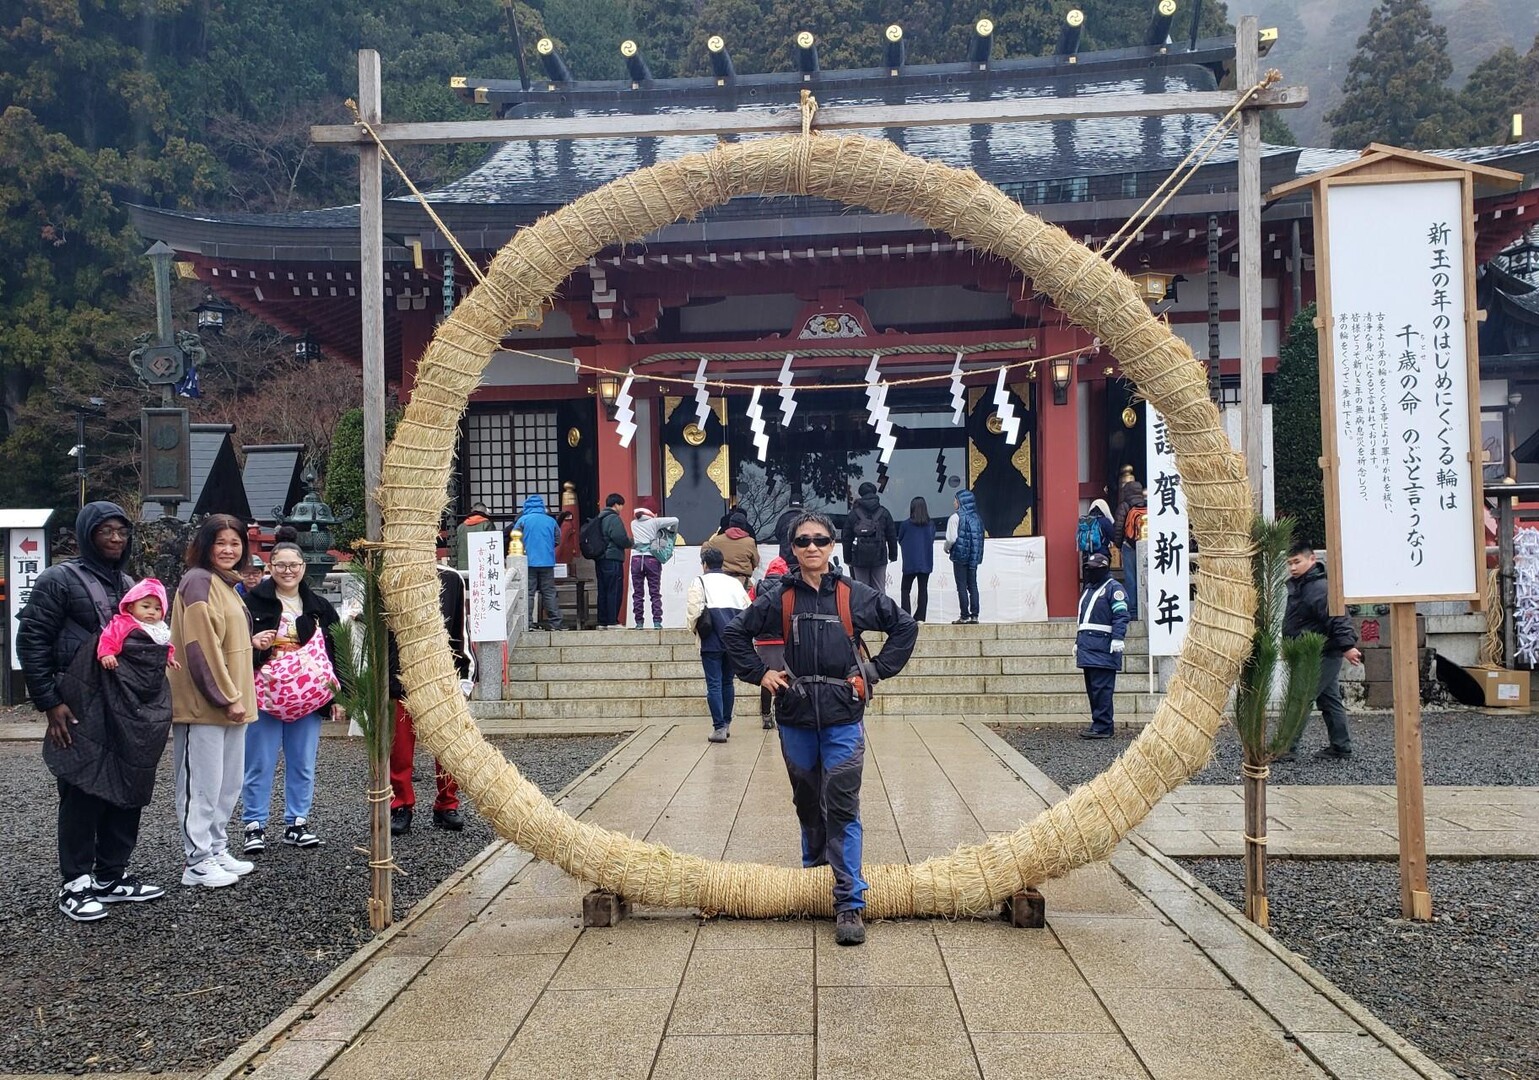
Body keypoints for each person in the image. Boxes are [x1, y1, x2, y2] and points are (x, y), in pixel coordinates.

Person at [723, 511, 918, 946]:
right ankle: (813, 880)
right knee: (808, 802)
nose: (812, 547)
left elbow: (904, 627)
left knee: (842, 805)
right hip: (795, 717)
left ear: (833, 546)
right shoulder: (779, 597)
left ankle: (849, 903)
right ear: (792, 548)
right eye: (803, 541)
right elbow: (735, 634)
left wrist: (873, 671)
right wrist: (761, 676)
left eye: (821, 540)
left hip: (843, 717)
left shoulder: (854, 595)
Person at [19, 503, 165, 921]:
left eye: (122, 531)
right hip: (80, 699)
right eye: (106, 531)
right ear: (88, 534)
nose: (116, 539)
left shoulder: (131, 585)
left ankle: (112, 874)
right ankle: (76, 882)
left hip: (127, 703)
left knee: (129, 783)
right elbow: (33, 641)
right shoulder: (58, 580)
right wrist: (49, 701)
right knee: (82, 788)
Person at [168, 513, 262, 888]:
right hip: (205, 706)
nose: (228, 549)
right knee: (202, 783)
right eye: (220, 542)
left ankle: (217, 846)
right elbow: (199, 647)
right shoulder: (197, 581)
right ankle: (197, 860)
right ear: (205, 546)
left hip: (232, 704)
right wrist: (224, 696)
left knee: (227, 783)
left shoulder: (227, 585)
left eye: (235, 542)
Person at [241, 532, 343, 853]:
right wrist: (258, 649)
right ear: (270, 567)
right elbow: (235, 646)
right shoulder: (250, 602)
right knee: (259, 760)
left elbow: (335, 650)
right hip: (265, 692)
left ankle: (297, 821)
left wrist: (338, 695)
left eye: (294, 565)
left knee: (303, 761)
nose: (288, 571)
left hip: (309, 694)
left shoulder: (320, 607)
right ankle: (254, 824)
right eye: (281, 565)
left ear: (303, 566)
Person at [390, 564, 472, 833]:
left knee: (447, 748)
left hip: (441, 677)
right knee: (400, 750)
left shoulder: (450, 577)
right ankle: (400, 804)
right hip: (400, 677)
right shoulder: (391, 576)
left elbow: (460, 628)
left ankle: (447, 803)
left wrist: (464, 674)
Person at [1282, 542, 1363, 761]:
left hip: (1321, 653)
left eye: (1297, 562)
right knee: (1329, 700)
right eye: (1290, 563)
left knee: (1301, 697)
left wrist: (1347, 646)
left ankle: (1285, 747)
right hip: (1316, 652)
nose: (1293, 567)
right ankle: (1340, 746)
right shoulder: (1304, 587)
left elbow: (1337, 617)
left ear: (1312, 560)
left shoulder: (1318, 588)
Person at [686, 547, 750, 742]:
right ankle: (727, 723)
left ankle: (719, 727)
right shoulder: (735, 583)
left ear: (704, 564)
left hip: (711, 639)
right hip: (733, 640)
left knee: (714, 683)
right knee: (727, 682)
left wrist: (693, 629)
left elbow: (694, 609)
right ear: (721, 563)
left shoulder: (700, 581)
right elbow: (748, 608)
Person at [1075, 552, 1130, 740]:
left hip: (1104, 647)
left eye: (1094, 569)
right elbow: (1084, 618)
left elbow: (1121, 615)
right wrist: (1077, 641)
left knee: (1102, 689)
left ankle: (1104, 726)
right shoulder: (1089, 589)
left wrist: (1118, 638)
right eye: (1088, 569)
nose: (1090, 572)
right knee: (1093, 689)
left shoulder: (1114, 589)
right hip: (1088, 646)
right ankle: (1098, 723)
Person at [512, 494, 563, 630]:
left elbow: (515, 540)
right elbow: (558, 539)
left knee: (528, 593)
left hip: (528, 562)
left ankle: (527, 623)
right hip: (547, 562)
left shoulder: (522, 520)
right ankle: (555, 623)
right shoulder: (550, 521)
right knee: (549, 592)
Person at [751, 555, 790, 730]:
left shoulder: (758, 586)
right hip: (783, 640)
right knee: (785, 678)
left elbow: (749, 608)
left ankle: (766, 716)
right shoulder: (788, 587)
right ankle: (784, 713)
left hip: (764, 643)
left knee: (766, 678)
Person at [842, 482, 898, 593]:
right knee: (879, 589)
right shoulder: (884, 512)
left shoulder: (853, 514)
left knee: (861, 590)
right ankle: (880, 610)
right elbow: (892, 536)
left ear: (860, 494)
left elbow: (846, 538)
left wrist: (847, 559)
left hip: (859, 558)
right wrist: (893, 555)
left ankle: (864, 611)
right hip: (880, 556)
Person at [630, 503, 680, 629]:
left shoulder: (633, 523)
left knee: (637, 593)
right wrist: (672, 531)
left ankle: (639, 623)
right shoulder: (655, 522)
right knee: (655, 593)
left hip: (636, 559)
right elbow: (675, 520)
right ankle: (657, 622)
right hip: (651, 559)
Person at [946, 490, 985, 624]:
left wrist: (946, 548)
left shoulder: (955, 518)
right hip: (973, 557)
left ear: (961, 502)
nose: (954, 502)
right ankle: (975, 615)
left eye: (955, 500)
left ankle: (964, 615)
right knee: (973, 585)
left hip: (960, 555)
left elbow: (951, 539)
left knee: (961, 586)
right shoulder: (977, 518)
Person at [1113, 471, 1147, 621]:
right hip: (1146, 547)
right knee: (1146, 576)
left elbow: (1119, 528)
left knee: (1131, 579)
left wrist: (1118, 545)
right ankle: (1148, 606)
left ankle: (1133, 611)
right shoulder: (1148, 505)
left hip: (1130, 547)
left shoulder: (1124, 506)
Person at [594, 493, 631, 628]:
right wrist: (630, 542)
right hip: (612, 558)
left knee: (603, 589)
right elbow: (620, 537)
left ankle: (602, 621)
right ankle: (612, 621)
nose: (621, 508)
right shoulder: (613, 519)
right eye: (621, 505)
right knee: (613, 589)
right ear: (616, 505)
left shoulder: (600, 517)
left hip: (600, 558)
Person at [897, 497, 936, 621]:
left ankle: (906, 616)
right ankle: (921, 617)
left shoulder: (906, 524)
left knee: (905, 589)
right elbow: (932, 539)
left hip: (910, 562)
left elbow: (900, 539)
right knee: (923, 589)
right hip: (926, 560)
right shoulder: (930, 524)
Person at [702, 508, 759, 588]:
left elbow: (705, 548)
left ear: (730, 524)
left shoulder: (717, 540)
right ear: (744, 526)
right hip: (743, 583)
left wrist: (709, 566)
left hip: (722, 581)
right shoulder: (750, 542)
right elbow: (755, 562)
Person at [455, 501, 497, 572]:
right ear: (485, 512)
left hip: (463, 566)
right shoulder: (487, 525)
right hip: (481, 565)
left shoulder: (460, 527)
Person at [774, 498, 805, 562]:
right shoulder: (806, 518)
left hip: (785, 557)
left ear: (789, 505)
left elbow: (777, 534)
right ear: (802, 504)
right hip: (802, 557)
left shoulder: (783, 518)